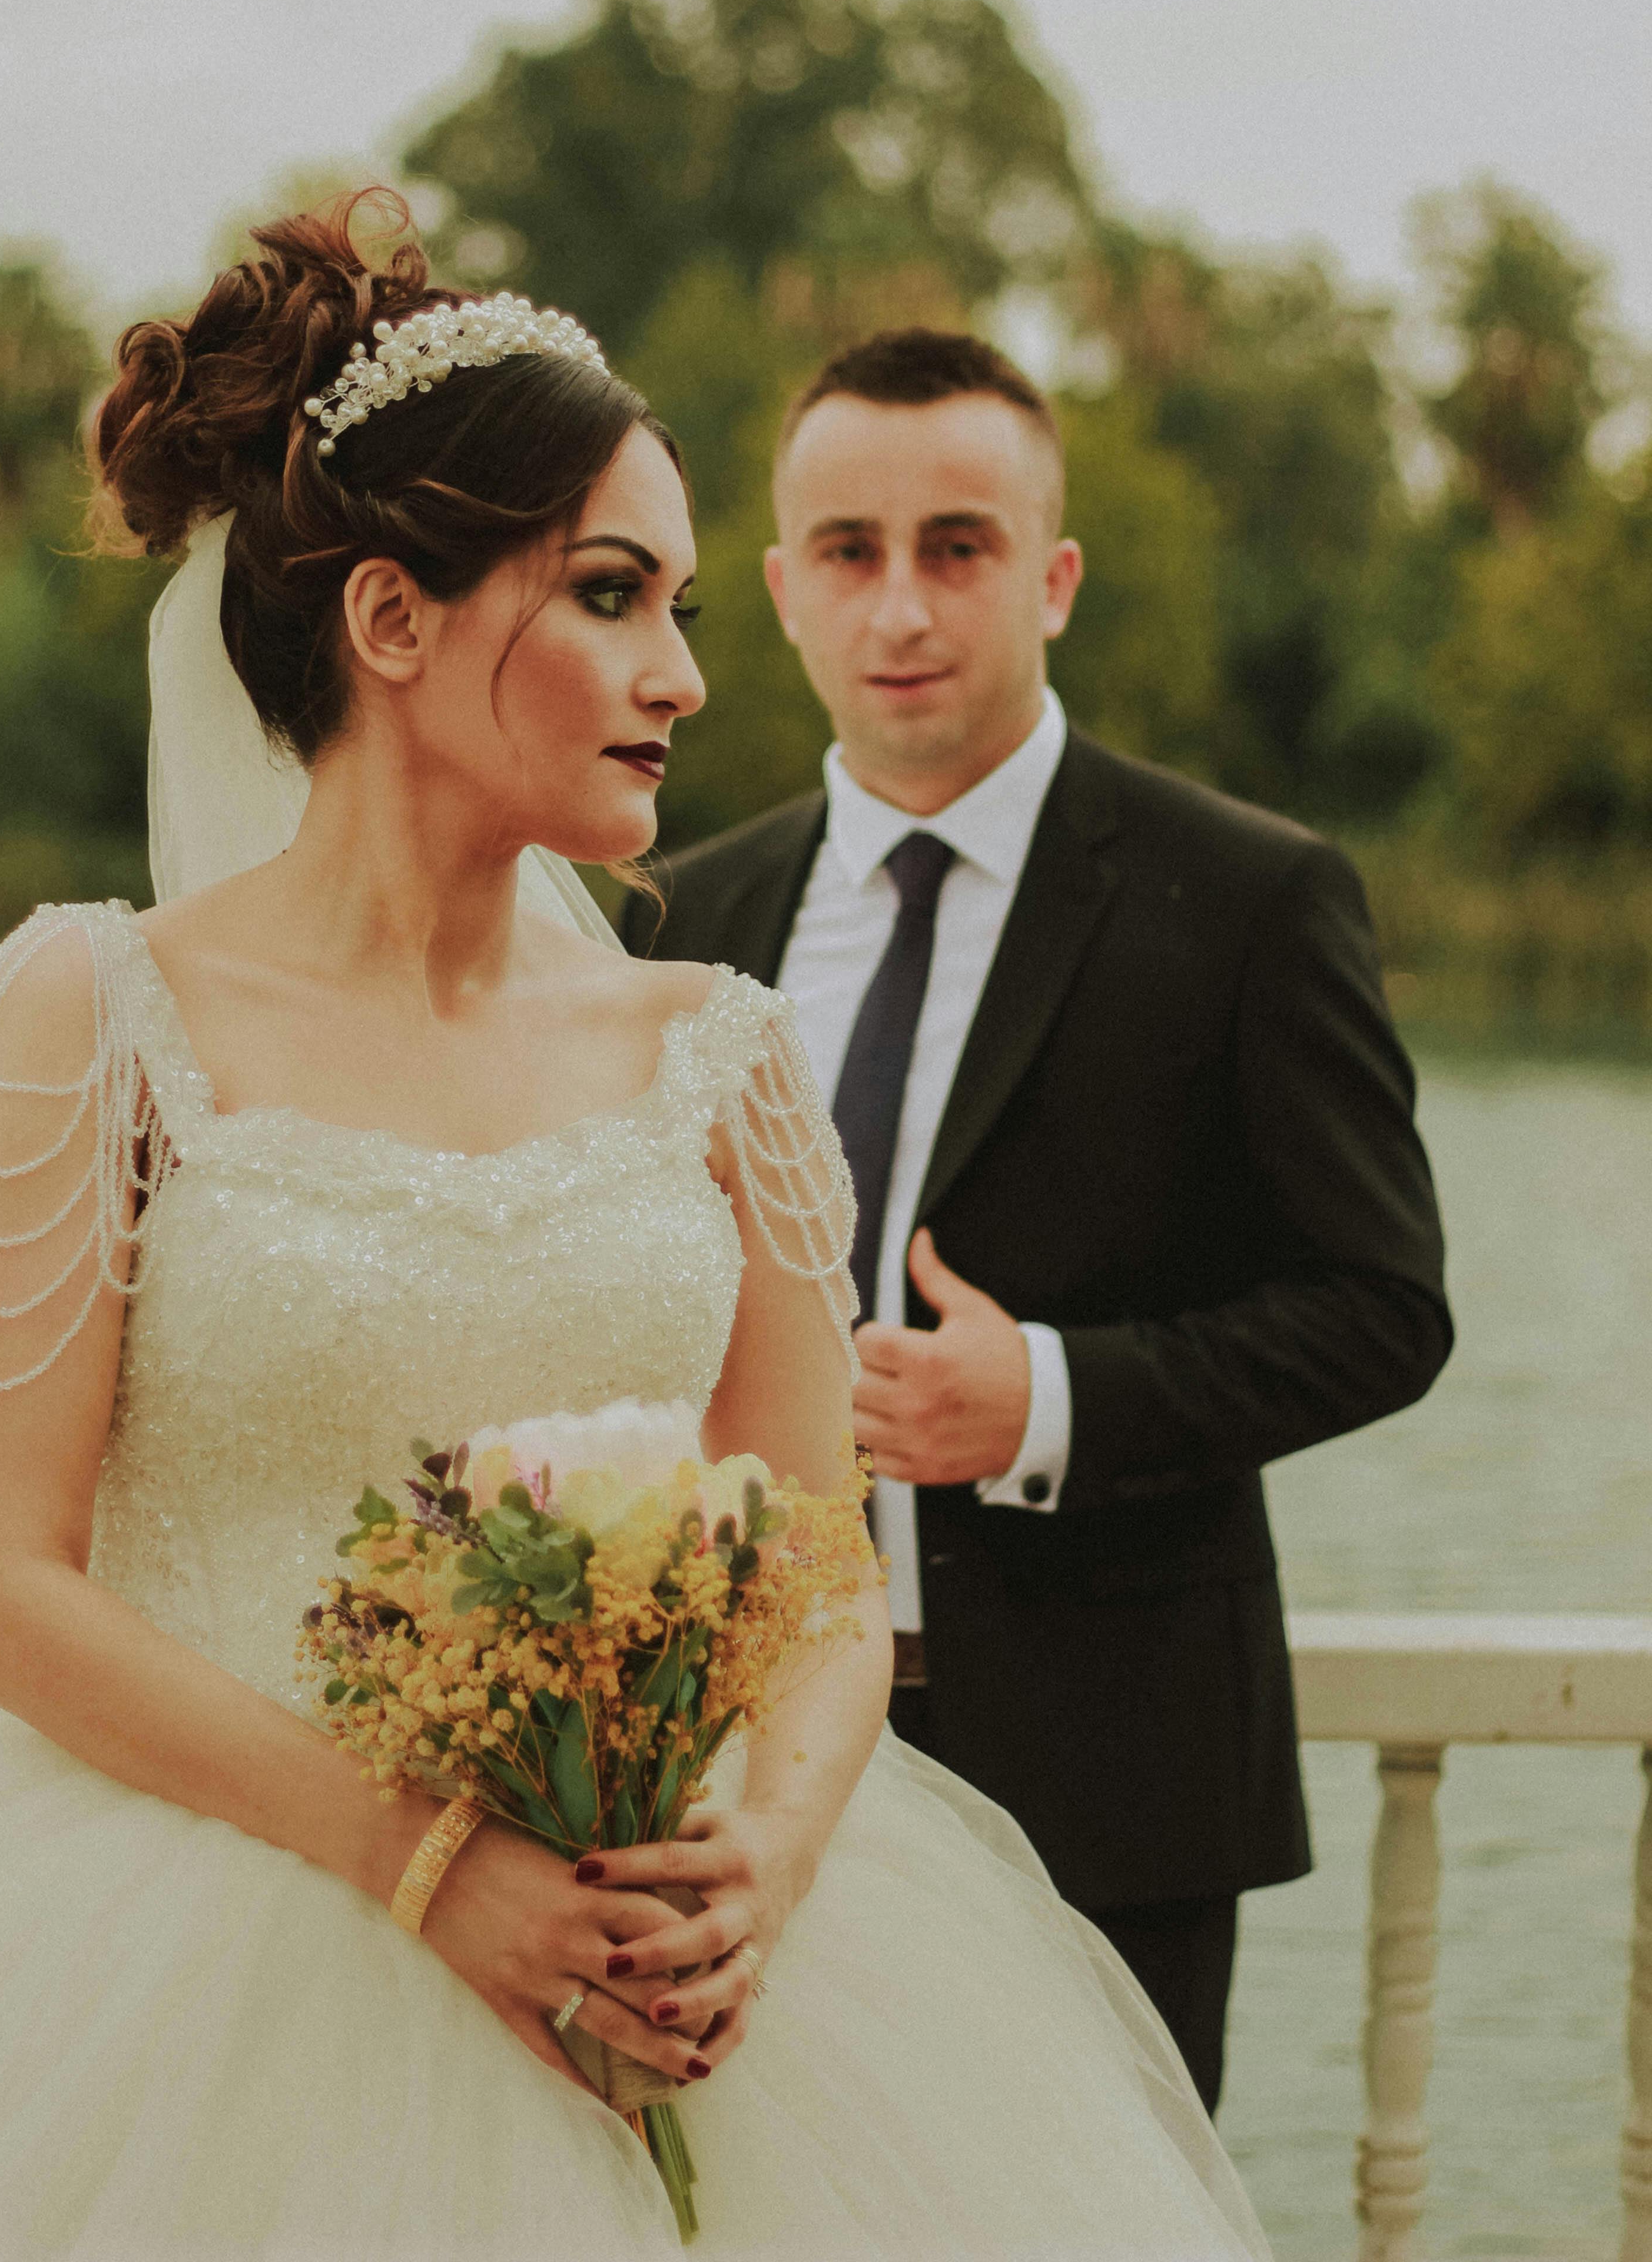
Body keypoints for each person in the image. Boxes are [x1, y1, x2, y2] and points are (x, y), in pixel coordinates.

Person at [0, 208, 1268, 2259]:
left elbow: (818, 1559)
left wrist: (764, 1853)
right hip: (179, 1963)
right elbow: (4, 1592)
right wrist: (428, 1870)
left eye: (675, 600)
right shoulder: (97, 1016)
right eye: (607, 595)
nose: (682, 672)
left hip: (663, 1962)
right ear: (392, 624)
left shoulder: (722, 1050)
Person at [621, 327, 1452, 2112]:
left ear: (1053, 578)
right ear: (778, 589)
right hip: (722, 1774)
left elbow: (1386, 1302)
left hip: (1113, 1778)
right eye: (850, 552)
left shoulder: (1252, 898)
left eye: (959, 548)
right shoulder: (673, 918)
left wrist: (1051, 1402)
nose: (901, 608)